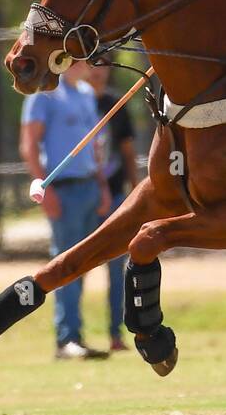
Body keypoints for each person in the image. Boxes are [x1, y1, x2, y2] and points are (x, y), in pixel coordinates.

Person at [20, 59, 112, 359]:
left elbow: (95, 147)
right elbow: (29, 144)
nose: (93, 64)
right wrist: (43, 189)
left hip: (89, 187)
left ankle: (77, 336)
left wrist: (102, 186)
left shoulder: (86, 93)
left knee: (82, 265)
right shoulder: (44, 94)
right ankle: (66, 339)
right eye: (87, 58)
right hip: (63, 190)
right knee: (64, 265)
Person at [86, 63, 142, 352]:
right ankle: (71, 336)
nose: (97, 72)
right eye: (91, 66)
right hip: (84, 193)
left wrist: (136, 190)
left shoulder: (116, 103)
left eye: (102, 67)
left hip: (116, 194)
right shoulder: (76, 101)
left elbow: (127, 149)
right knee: (75, 264)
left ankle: (116, 333)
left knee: (117, 268)